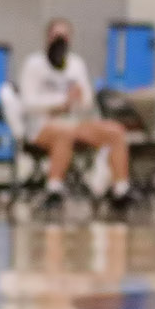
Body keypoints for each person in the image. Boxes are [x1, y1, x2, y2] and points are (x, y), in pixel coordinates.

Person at [18, 18, 135, 215]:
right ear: (47, 38)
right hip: (42, 125)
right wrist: (61, 102)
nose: (60, 41)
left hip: (74, 122)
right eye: (56, 36)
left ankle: (120, 190)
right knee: (64, 132)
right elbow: (27, 103)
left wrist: (79, 98)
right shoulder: (34, 64)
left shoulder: (76, 64)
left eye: (65, 36)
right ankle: (54, 189)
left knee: (115, 131)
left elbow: (87, 101)